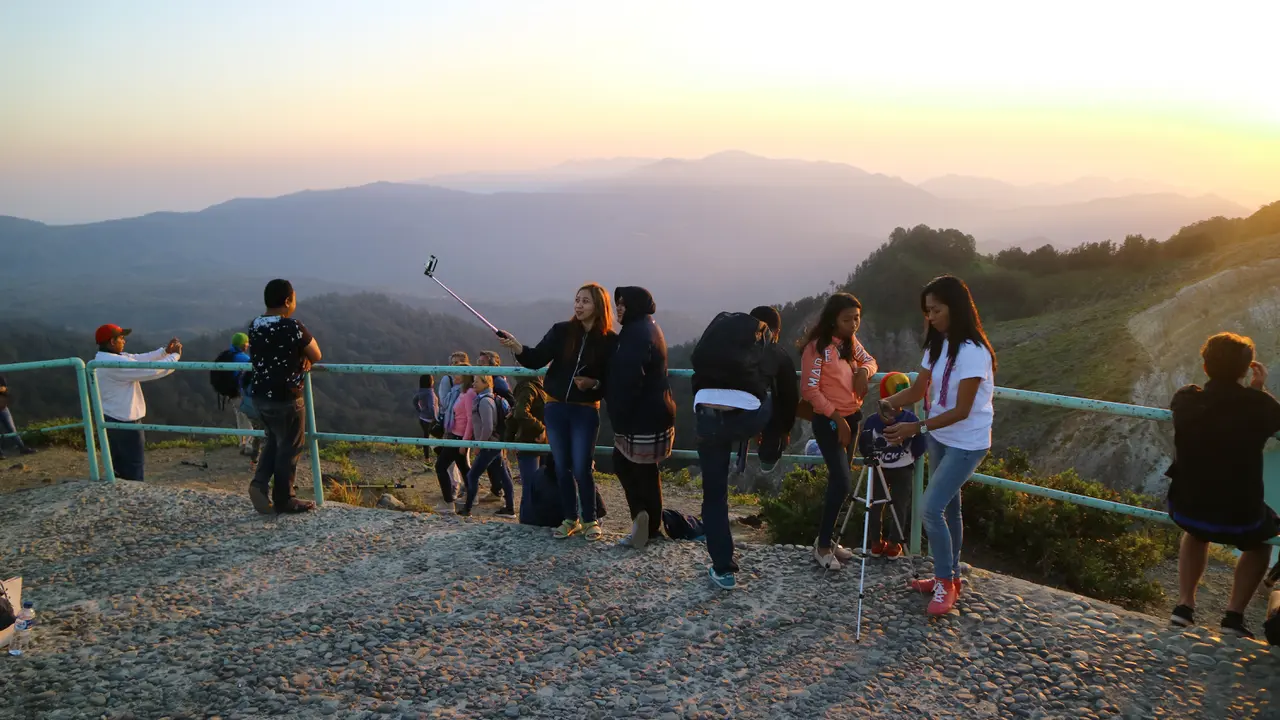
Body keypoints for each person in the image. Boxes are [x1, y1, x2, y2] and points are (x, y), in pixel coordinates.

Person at [882, 275, 996, 616]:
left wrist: (914, 426)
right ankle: (950, 575)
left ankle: (945, 582)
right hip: (940, 436)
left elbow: (962, 410)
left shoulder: (974, 352)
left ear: (955, 307)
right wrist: (889, 403)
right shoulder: (938, 344)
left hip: (968, 441)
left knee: (930, 508)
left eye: (936, 309)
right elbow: (919, 391)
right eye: (927, 311)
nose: (930, 317)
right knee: (949, 509)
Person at [1164, 332, 1280, 638]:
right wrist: (1258, 390)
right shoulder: (1260, 407)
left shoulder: (1186, 400)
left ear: (1205, 367)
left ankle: (1184, 607)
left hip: (1187, 507)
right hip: (1239, 516)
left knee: (1195, 533)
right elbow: (1269, 417)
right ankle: (1232, 618)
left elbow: (1198, 402)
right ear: (1245, 370)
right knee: (1262, 542)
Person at [691, 305, 799, 589]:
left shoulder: (721, 346)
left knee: (714, 497)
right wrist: (779, 433)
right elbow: (790, 401)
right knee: (775, 396)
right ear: (773, 332)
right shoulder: (774, 352)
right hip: (748, 418)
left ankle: (723, 570)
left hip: (706, 414)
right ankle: (767, 453)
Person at [500, 283, 618, 540]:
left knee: (582, 467)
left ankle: (590, 520)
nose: (578, 305)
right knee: (562, 466)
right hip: (555, 408)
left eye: (585, 301)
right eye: (576, 300)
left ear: (599, 306)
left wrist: (593, 384)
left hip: (585, 410)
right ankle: (570, 518)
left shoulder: (610, 341)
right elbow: (536, 359)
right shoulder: (562, 331)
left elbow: (613, 379)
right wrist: (518, 347)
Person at [799, 292, 878, 571]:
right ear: (833, 320)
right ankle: (822, 547)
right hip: (830, 421)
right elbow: (809, 390)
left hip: (852, 417)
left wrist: (863, 372)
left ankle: (827, 540)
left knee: (839, 482)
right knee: (843, 481)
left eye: (857, 318)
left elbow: (871, 361)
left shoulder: (850, 343)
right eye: (847, 319)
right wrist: (837, 419)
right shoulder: (817, 349)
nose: (854, 324)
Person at [607, 286, 678, 550]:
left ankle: (644, 521)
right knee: (645, 470)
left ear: (635, 305)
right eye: (617, 304)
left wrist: (618, 416)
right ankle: (649, 525)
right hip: (656, 411)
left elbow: (628, 380)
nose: (619, 308)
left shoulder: (635, 334)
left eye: (623, 303)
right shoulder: (648, 327)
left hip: (641, 415)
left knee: (630, 466)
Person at [247, 279, 321, 515]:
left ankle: (259, 485)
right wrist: (303, 356)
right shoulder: (293, 327)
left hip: (259, 397)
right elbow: (316, 354)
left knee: (273, 441)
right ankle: (284, 498)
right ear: (288, 300)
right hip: (286, 397)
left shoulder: (255, 325)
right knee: (290, 446)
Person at [93, 324, 182, 481]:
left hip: (111, 417)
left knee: (119, 465)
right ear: (112, 342)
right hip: (125, 421)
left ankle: (119, 494)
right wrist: (174, 357)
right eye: (121, 338)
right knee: (133, 465)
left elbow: (137, 358)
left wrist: (164, 352)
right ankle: (132, 498)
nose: (124, 341)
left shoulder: (104, 358)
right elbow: (151, 370)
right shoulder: (114, 364)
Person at [858, 379, 927, 560]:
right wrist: (912, 455)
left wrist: (871, 455)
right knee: (900, 505)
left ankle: (875, 543)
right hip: (903, 467)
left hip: (878, 467)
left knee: (875, 504)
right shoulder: (911, 420)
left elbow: (864, 443)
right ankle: (894, 545)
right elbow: (921, 443)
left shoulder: (873, 421)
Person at [459, 374, 516, 517]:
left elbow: (488, 426)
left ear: (486, 383)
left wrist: (480, 444)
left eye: (477, 382)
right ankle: (510, 507)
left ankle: (467, 509)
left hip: (489, 444)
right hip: (495, 443)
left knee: (472, 475)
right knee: (503, 475)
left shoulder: (484, 401)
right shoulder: (490, 399)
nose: (473, 384)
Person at [435, 363, 475, 511]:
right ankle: (470, 501)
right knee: (464, 469)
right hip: (455, 434)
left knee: (440, 466)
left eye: (457, 374)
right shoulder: (460, 391)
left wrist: (465, 442)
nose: (454, 377)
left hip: (458, 437)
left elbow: (470, 419)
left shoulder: (469, 393)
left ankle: (448, 503)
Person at [477, 350, 514, 503]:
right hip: (492, 424)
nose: (478, 365)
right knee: (494, 461)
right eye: (478, 363)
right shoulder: (488, 378)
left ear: (493, 364)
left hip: (497, 427)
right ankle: (496, 490)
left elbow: (511, 401)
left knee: (499, 461)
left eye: (482, 363)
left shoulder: (497, 381)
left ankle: (505, 495)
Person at [224, 333, 262, 461]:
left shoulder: (228, 355)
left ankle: (243, 444)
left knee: (241, 418)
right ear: (242, 344)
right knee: (250, 418)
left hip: (231, 393)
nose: (248, 346)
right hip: (241, 393)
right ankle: (249, 446)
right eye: (246, 344)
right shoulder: (243, 358)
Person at [0, 376, 37, 459]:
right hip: (3, 407)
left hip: (3, 408)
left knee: (12, 429)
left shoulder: (1, 378)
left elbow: (5, 390)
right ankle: (0, 454)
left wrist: (3, 390)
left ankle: (22, 448)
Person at [413, 374, 439, 469]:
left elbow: (414, 400)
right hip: (430, 420)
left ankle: (427, 460)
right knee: (435, 439)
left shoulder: (421, 391)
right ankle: (439, 459)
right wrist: (436, 418)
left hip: (422, 418)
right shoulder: (430, 393)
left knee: (426, 439)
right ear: (430, 382)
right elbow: (432, 407)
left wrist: (420, 410)